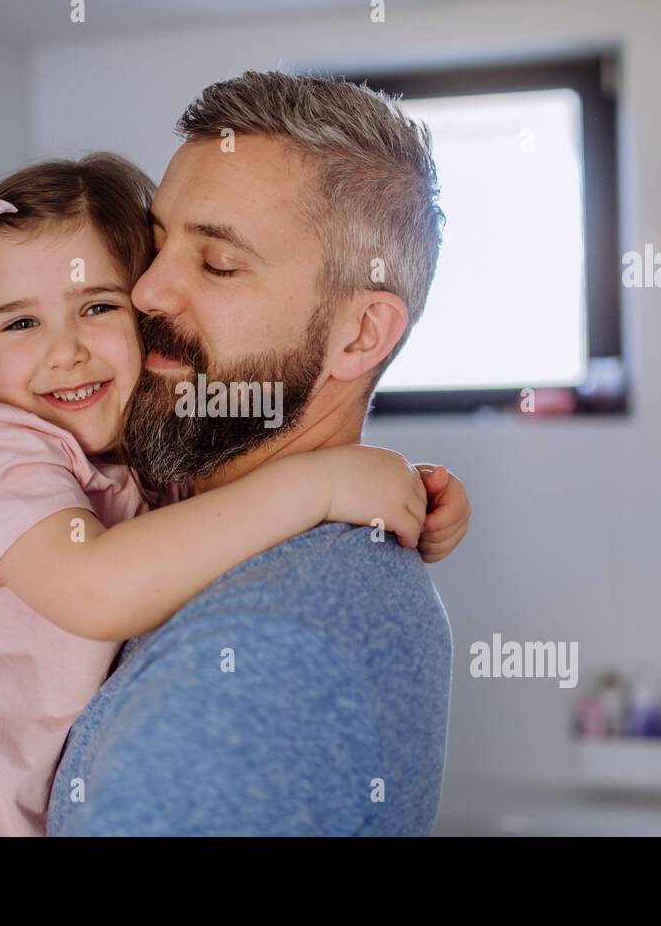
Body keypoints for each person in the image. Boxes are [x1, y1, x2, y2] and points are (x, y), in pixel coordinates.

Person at [0, 153, 467, 836]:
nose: (64, 351)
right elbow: (95, 588)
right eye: (20, 324)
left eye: (97, 307)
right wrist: (322, 484)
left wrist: (401, 488)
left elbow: (226, 517)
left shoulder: (151, 464)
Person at [48, 71, 466, 835]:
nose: (145, 292)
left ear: (361, 335)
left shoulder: (260, 656)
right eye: (156, 244)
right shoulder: (263, 527)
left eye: (218, 264)